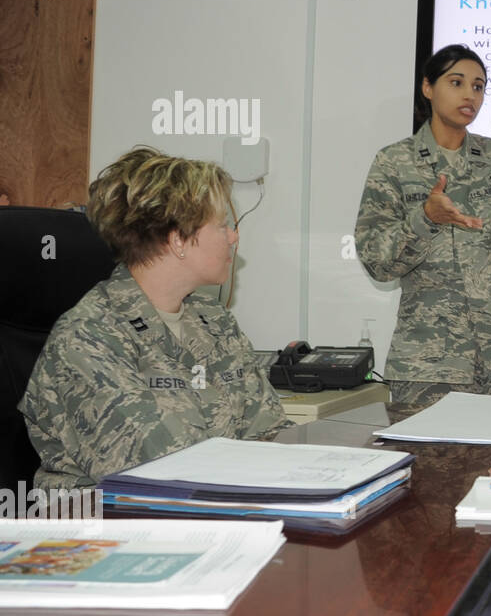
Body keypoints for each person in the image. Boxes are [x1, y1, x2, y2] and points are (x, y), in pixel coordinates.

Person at [20, 147, 290, 489]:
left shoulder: (214, 320)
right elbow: (161, 470)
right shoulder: (88, 337)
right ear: (178, 240)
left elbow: (270, 432)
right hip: (110, 528)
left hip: (215, 512)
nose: (234, 237)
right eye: (223, 226)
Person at [355, 44, 491, 411]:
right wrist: (425, 219)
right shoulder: (394, 162)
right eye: (457, 82)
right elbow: (377, 262)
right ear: (428, 88)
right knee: (430, 468)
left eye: (479, 86)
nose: (470, 94)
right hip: (429, 362)